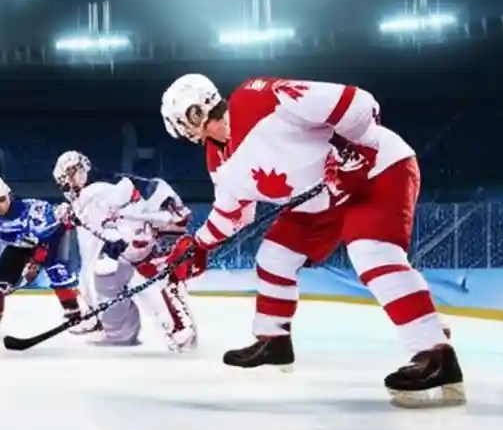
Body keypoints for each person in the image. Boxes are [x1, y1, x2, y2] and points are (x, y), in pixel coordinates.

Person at [159, 74, 463, 407]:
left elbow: (357, 102)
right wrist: (199, 244)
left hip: (375, 172)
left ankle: (435, 353)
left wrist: (355, 150)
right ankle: (273, 342)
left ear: (191, 114)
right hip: (320, 201)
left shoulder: (257, 97)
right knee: (274, 257)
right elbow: (232, 214)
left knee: (373, 254)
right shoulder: (217, 159)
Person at [53, 151, 197, 350]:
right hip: (138, 243)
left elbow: (154, 195)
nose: (71, 181)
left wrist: (166, 213)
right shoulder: (96, 192)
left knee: (146, 282)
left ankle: (177, 328)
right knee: (106, 275)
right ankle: (123, 329)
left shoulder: (97, 191)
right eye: (67, 177)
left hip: (147, 240)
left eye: (73, 172)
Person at [0, 176, 85, 331]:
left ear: (9, 196)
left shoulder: (35, 211)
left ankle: (73, 310)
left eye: (1, 199)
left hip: (52, 239)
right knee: (0, 270)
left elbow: (50, 236)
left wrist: (36, 262)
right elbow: (11, 242)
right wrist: (16, 271)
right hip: (23, 243)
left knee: (56, 269)